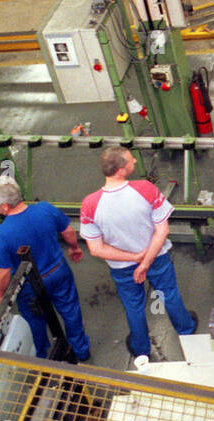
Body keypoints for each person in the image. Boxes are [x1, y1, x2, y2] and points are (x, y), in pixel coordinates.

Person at [79, 146, 197, 358]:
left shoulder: (90, 204)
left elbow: (95, 249)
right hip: (156, 258)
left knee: (133, 305)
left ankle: (141, 348)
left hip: (122, 267)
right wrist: (144, 262)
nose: (135, 160)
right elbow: (162, 229)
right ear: (121, 171)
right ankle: (186, 330)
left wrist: (133, 259)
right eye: (130, 160)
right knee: (168, 293)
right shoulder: (145, 189)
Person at [0, 177, 91, 362]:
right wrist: (74, 248)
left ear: (5, 207)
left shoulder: (1, 234)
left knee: (35, 321)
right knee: (70, 311)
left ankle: (44, 356)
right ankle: (81, 350)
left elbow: (2, 271)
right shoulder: (45, 209)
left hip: (29, 285)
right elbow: (67, 231)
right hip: (58, 272)